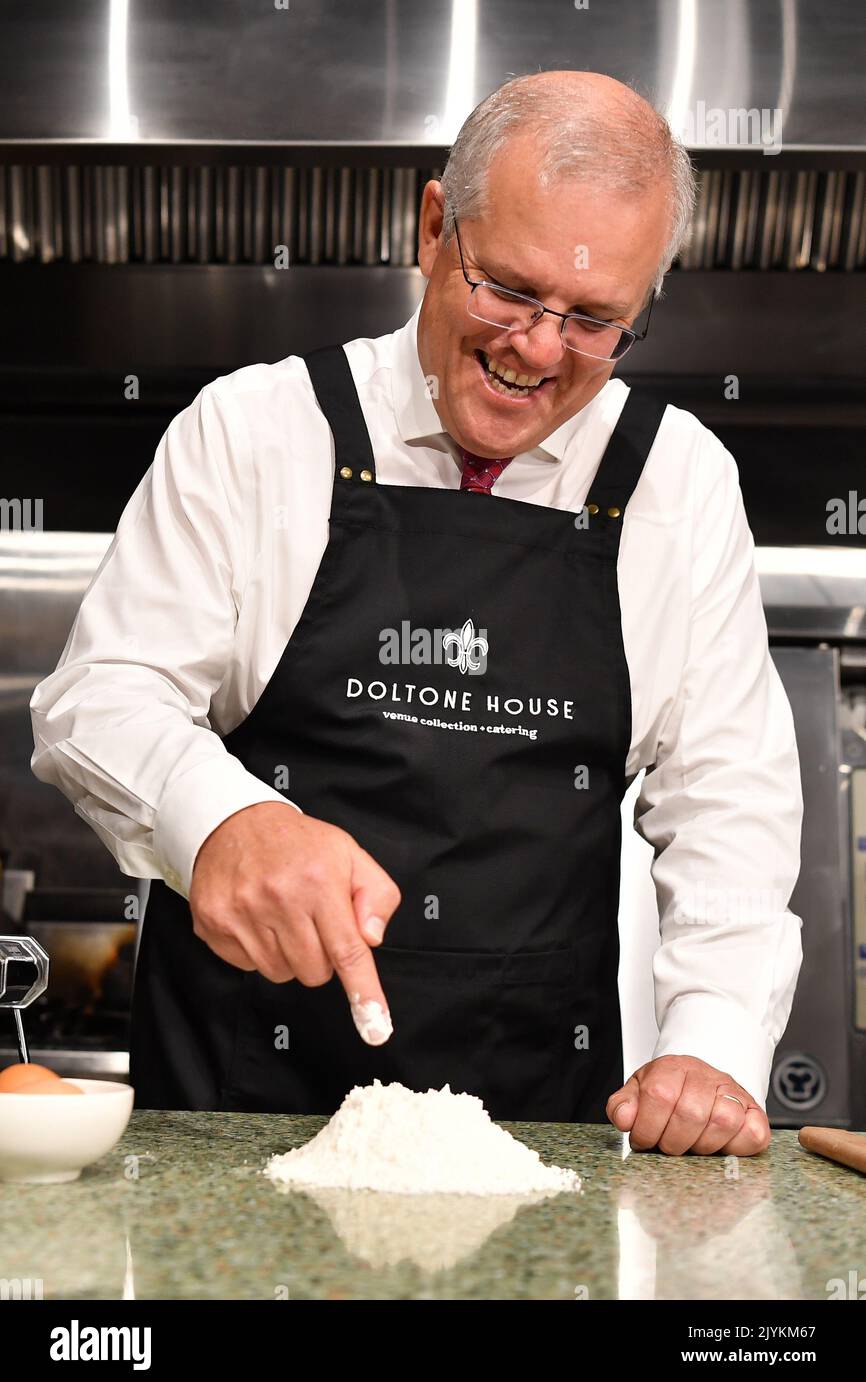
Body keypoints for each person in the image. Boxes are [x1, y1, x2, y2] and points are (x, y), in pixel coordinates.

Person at [30, 71, 803, 1156]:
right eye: (508, 291)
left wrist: (711, 1044)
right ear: (435, 227)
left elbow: (727, 800)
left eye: (591, 321)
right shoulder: (254, 432)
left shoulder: (678, 482)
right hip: (234, 1113)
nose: (536, 348)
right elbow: (99, 698)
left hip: (538, 1131)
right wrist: (220, 818)